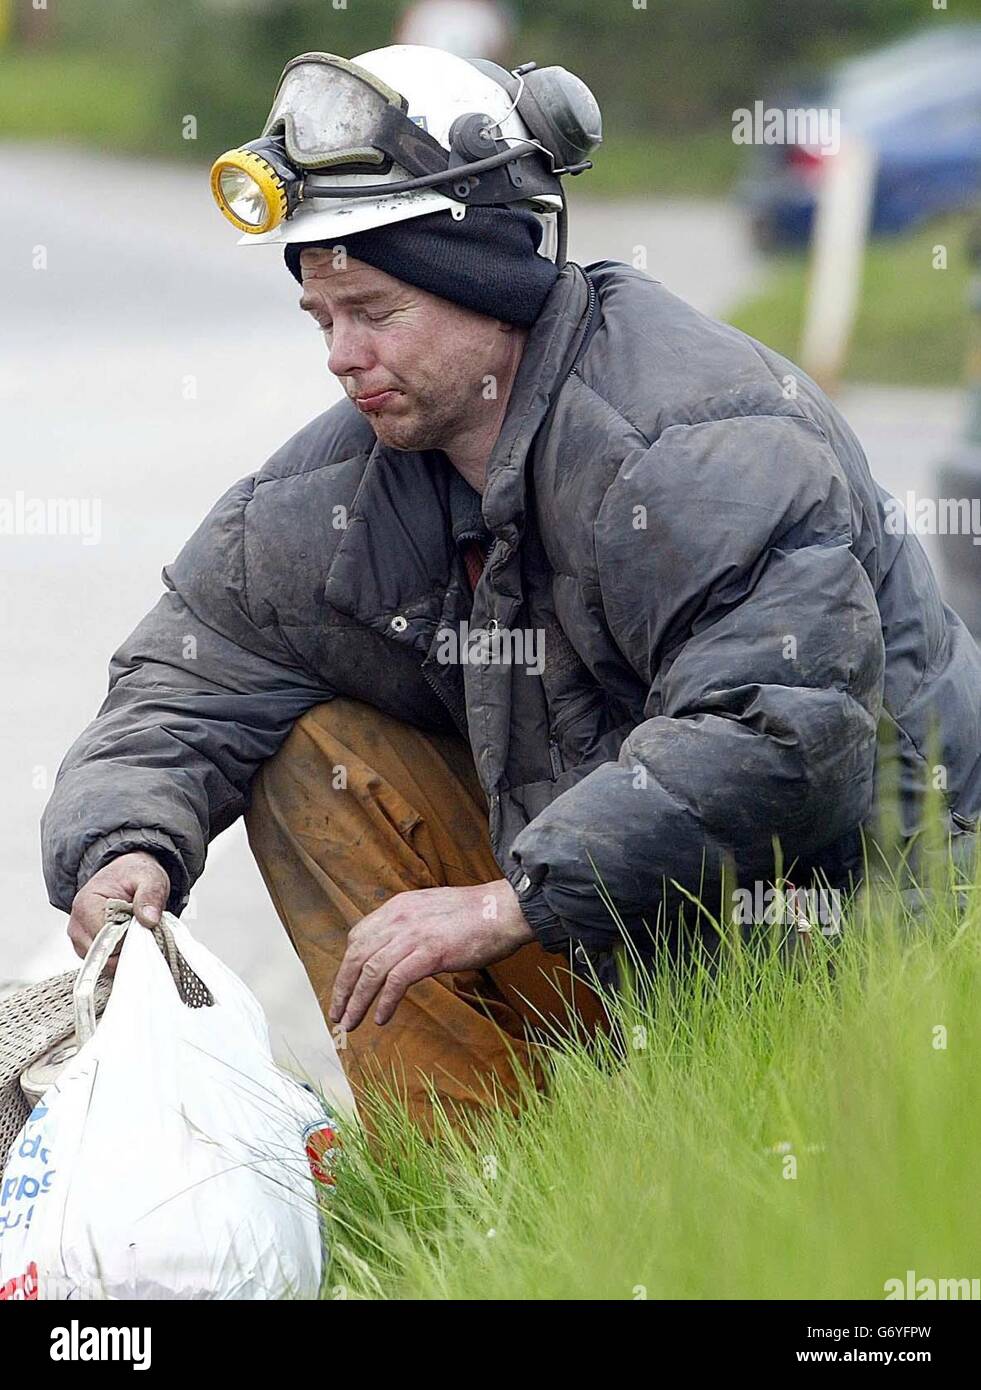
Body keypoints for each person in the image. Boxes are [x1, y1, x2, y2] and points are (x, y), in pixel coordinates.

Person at [41, 45, 980, 1134]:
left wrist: (509, 903)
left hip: (855, 950)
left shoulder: (692, 439)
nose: (342, 357)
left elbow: (779, 735)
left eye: (376, 311)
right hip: (624, 938)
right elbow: (189, 660)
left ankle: (665, 1142)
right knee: (316, 756)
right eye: (321, 317)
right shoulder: (360, 480)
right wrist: (124, 842)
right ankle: (479, 1183)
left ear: (485, 277)